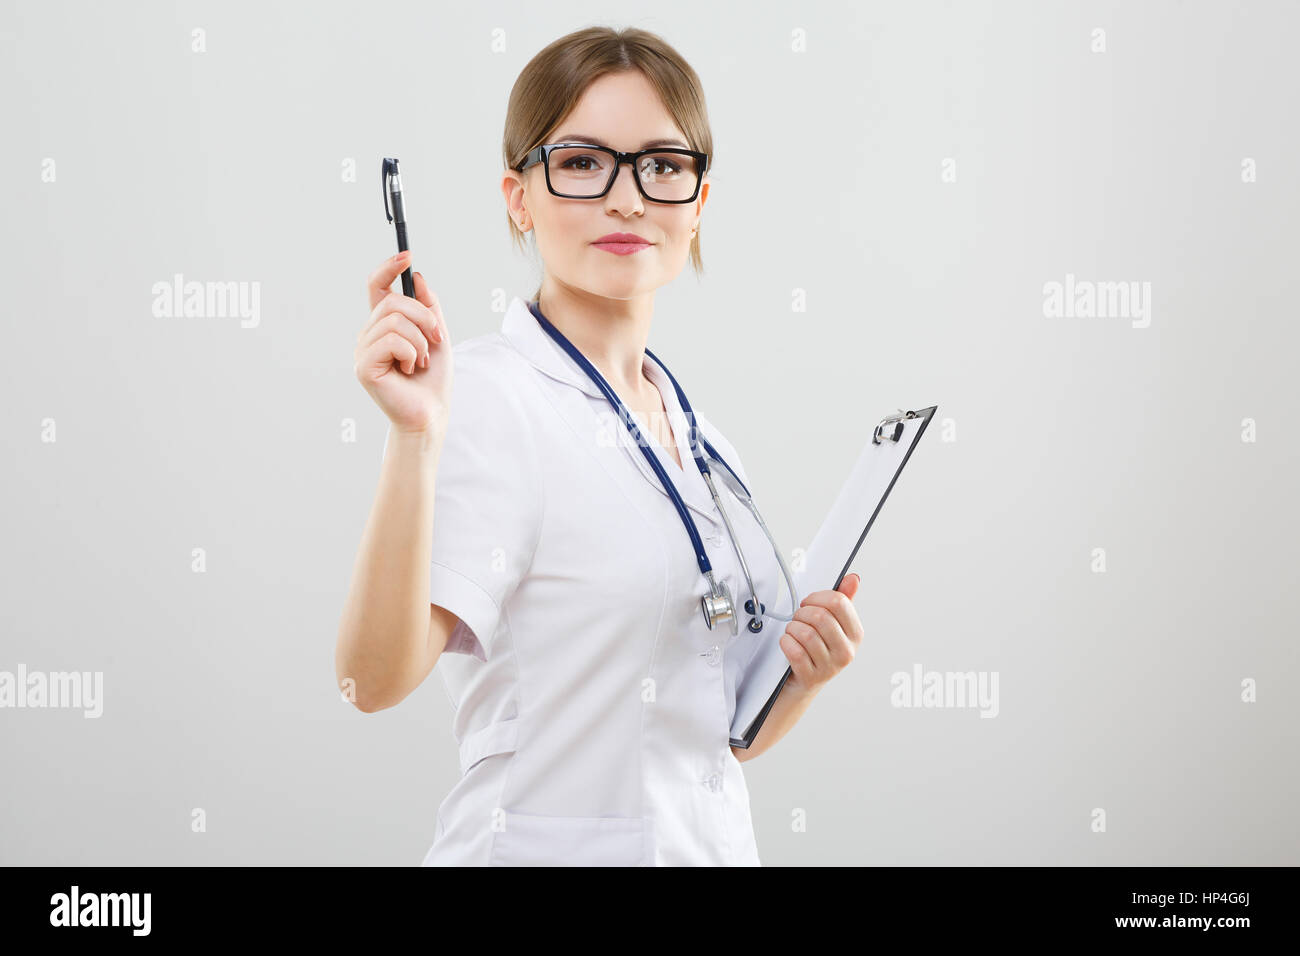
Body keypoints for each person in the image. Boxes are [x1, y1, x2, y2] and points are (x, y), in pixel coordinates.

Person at [335, 26, 864, 867]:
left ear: (698, 202)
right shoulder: (486, 400)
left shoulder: (700, 439)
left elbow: (715, 738)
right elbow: (372, 679)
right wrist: (412, 438)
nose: (628, 199)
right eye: (583, 163)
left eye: (662, 166)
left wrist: (800, 677)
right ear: (520, 196)